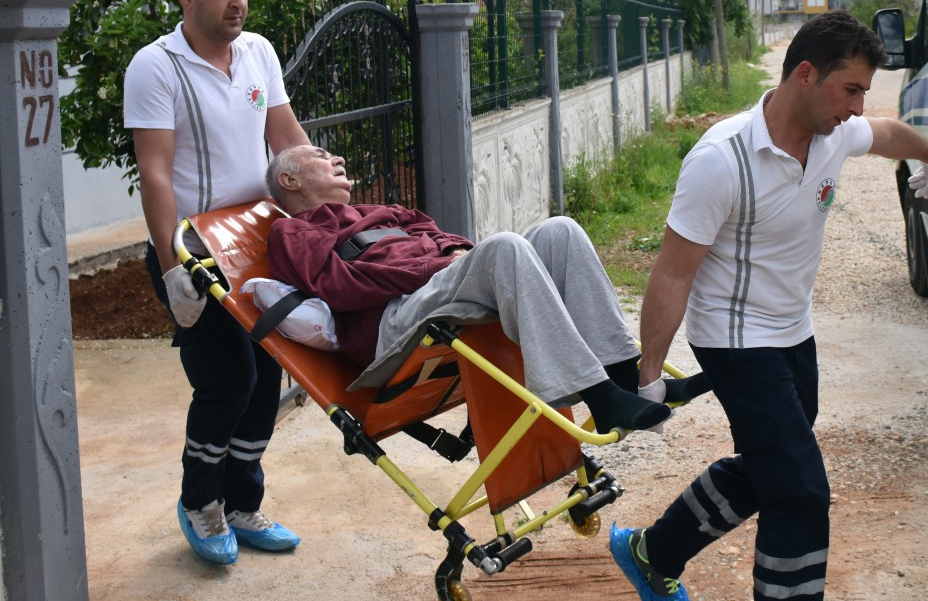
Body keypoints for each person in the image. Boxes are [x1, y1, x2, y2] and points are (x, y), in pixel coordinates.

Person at [608, 11, 928, 601]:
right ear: (805, 75)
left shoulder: (834, 132)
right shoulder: (720, 159)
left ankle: (651, 553)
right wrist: (648, 373)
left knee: (771, 466)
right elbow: (671, 275)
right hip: (734, 340)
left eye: (862, 92)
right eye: (850, 89)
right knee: (800, 489)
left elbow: (885, 134)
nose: (858, 105)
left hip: (794, 333)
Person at [263, 143, 697, 432]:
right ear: (290, 181)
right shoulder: (295, 232)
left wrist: (451, 258)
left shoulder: (375, 209)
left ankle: (630, 378)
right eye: (322, 156)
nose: (337, 159)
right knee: (503, 247)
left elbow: (439, 234)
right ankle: (601, 399)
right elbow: (339, 288)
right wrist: (436, 263)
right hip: (392, 322)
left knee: (559, 231)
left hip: (434, 291)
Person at [124, 0, 312, 566]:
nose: (239, 3)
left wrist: (320, 206)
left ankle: (242, 504)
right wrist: (173, 267)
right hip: (194, 246)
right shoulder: (156, 66)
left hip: (258, 238)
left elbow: (285, 138)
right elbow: (155, 172)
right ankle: (199, 502)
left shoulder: (257, 52)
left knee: (268, 378)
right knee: (228, 378)